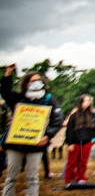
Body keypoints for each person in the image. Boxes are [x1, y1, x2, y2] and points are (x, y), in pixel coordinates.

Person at [2, 65, 64, 196]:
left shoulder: (48, 99)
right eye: (32, 81)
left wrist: (47, 136)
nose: (36, 83)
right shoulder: (19, 98)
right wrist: (8, 74)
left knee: (32, 177)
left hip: (37, 144)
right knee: (11, 177)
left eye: (38, 80)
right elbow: (5, 92)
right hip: (16, 143)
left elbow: (57, 119)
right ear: (26, 83)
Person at [63, 94, 95, 186]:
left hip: (87, 141)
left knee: (83, 161)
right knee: (72, 162)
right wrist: (70, 142)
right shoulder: (74, 115)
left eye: (89, 100)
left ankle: (81, 178)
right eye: (86, 100)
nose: (88, 102)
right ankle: (69, 179)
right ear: (81, 102)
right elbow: (69, 130)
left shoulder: (92, 115)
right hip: (75, 142)